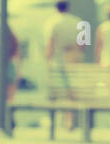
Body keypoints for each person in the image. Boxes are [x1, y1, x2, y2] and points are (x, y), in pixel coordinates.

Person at [43, 2, 81, 130]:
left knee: (57, 93)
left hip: (57, 63)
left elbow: (50, 45)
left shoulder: (52, 22)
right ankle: (69, 121)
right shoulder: (79, 22)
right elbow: (83, 46)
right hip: (74, 63)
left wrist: (47, 60)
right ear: (69, 7)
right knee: (71, 93)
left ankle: (57, 122)